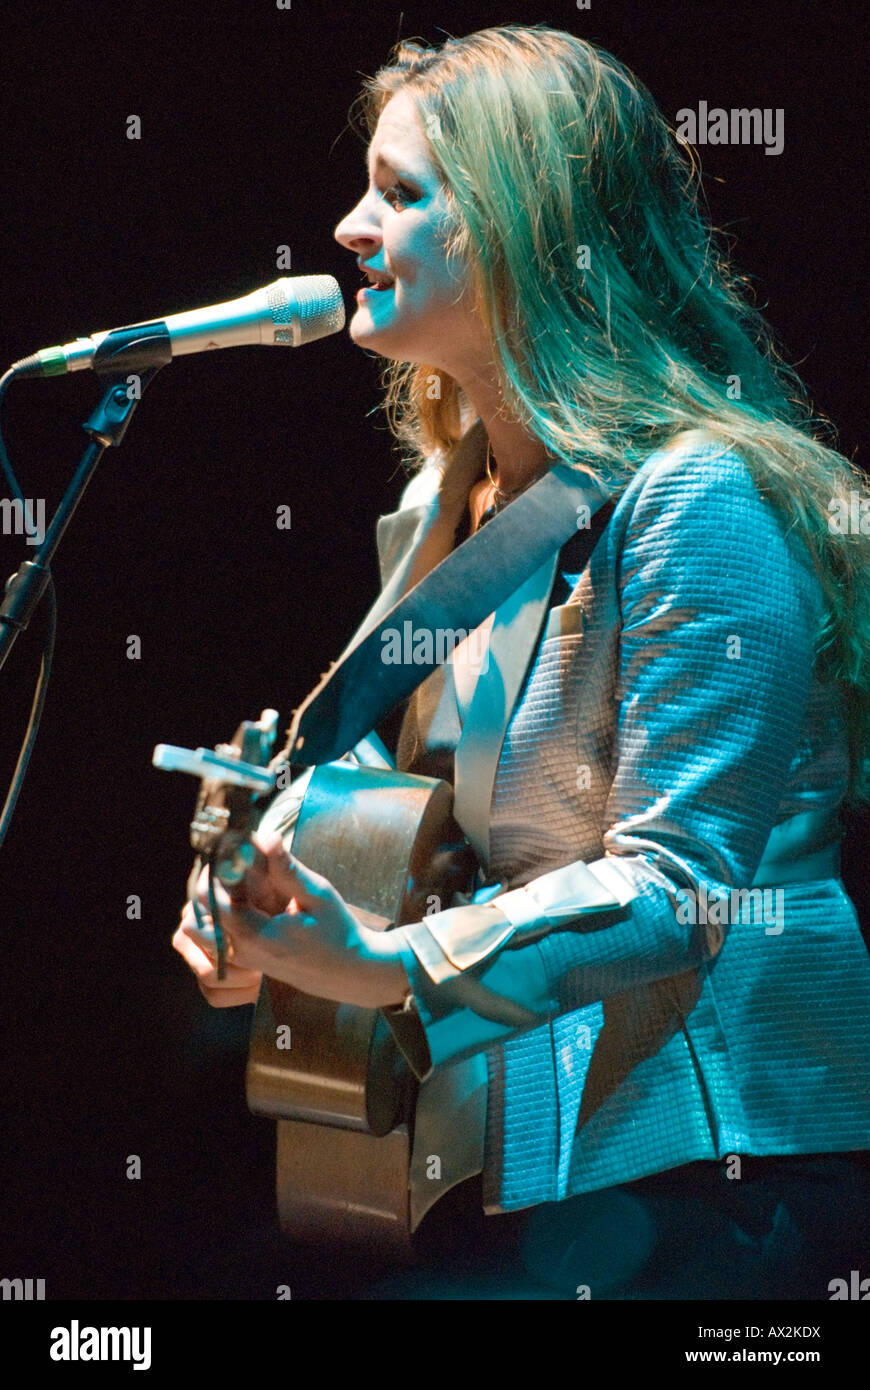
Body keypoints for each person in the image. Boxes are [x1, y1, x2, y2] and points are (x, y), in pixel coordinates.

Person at [172, 25, 870, 1299]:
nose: (346, 226)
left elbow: (677, 886)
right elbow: (385, 832)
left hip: (717, 1173)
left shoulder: (698, 496)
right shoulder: (447, 507)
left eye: (400, 192)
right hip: (530, 1160)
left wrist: (384, 966)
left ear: (526, 228)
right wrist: (269, 920)